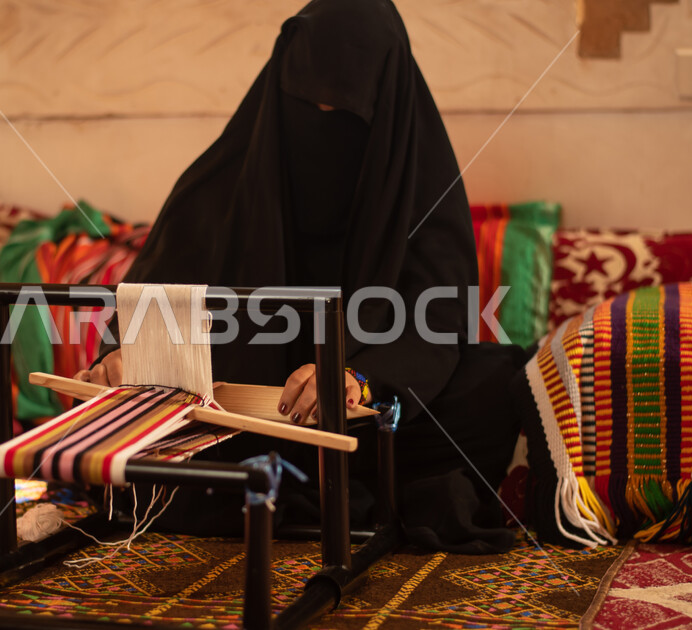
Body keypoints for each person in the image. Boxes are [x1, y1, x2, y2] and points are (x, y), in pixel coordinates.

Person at [76, 0, 525, 553]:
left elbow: (436, 319)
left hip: (358, 419)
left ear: (385, 112)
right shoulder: (218, 187)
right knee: (141, 434)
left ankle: (273, 487)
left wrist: (358, 376)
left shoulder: (419, 188)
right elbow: (155, 299)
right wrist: (123, 361)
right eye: (305, 109)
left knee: (493, 381)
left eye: (345, 117)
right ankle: (290, 485)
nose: (322, 128)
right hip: (232, 425)